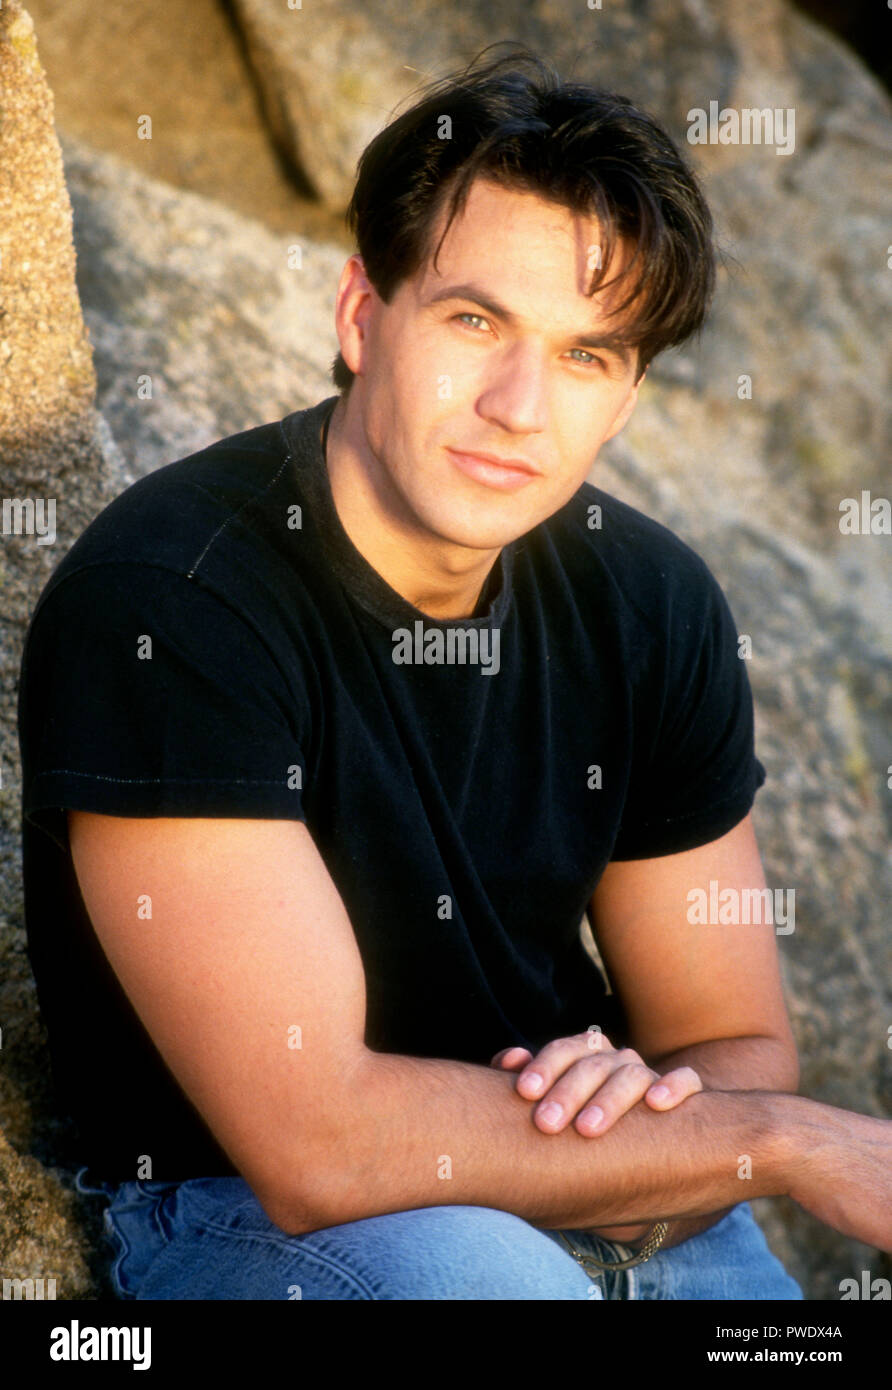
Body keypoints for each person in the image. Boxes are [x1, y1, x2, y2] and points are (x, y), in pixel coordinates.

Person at [17, 46, 891, 1301]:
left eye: (588, 355)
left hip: (609, 1183)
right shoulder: (175, 600)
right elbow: (314, 1143)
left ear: (628, 393)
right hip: (246, 1206)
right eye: (475, 320)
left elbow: (734, 1036)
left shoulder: (650, 600)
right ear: (362, 316)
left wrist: (670, 1132)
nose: (519, 405)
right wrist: (775, 1140)